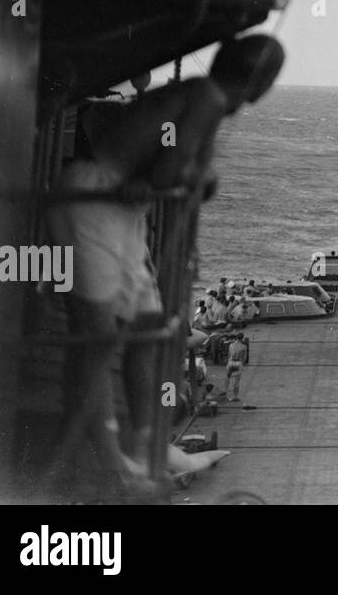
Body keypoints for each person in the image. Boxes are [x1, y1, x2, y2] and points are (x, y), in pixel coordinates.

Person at [48, 35, 285, 487]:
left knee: (148, 329)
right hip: (93, 201)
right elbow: (169, 173)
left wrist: (197, 173)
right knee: (96, 338)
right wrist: (202, 175)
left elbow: (167, 167)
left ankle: (150, 448)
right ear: (262, 81)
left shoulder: (202, 95)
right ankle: (110, 457)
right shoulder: (208, 97)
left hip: (119, 210)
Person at [225, 333, 248, 402]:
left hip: (231, 362)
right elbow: (245, 357)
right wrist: (242, 364)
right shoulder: (244, 346)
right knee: (236, 381)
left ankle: (226, 395)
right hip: (238, 363)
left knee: (228, 379)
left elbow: (229, 355)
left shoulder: (231, 345)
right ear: (242, 338)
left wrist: (229, 362)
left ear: (236, 338)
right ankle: (235, 397)